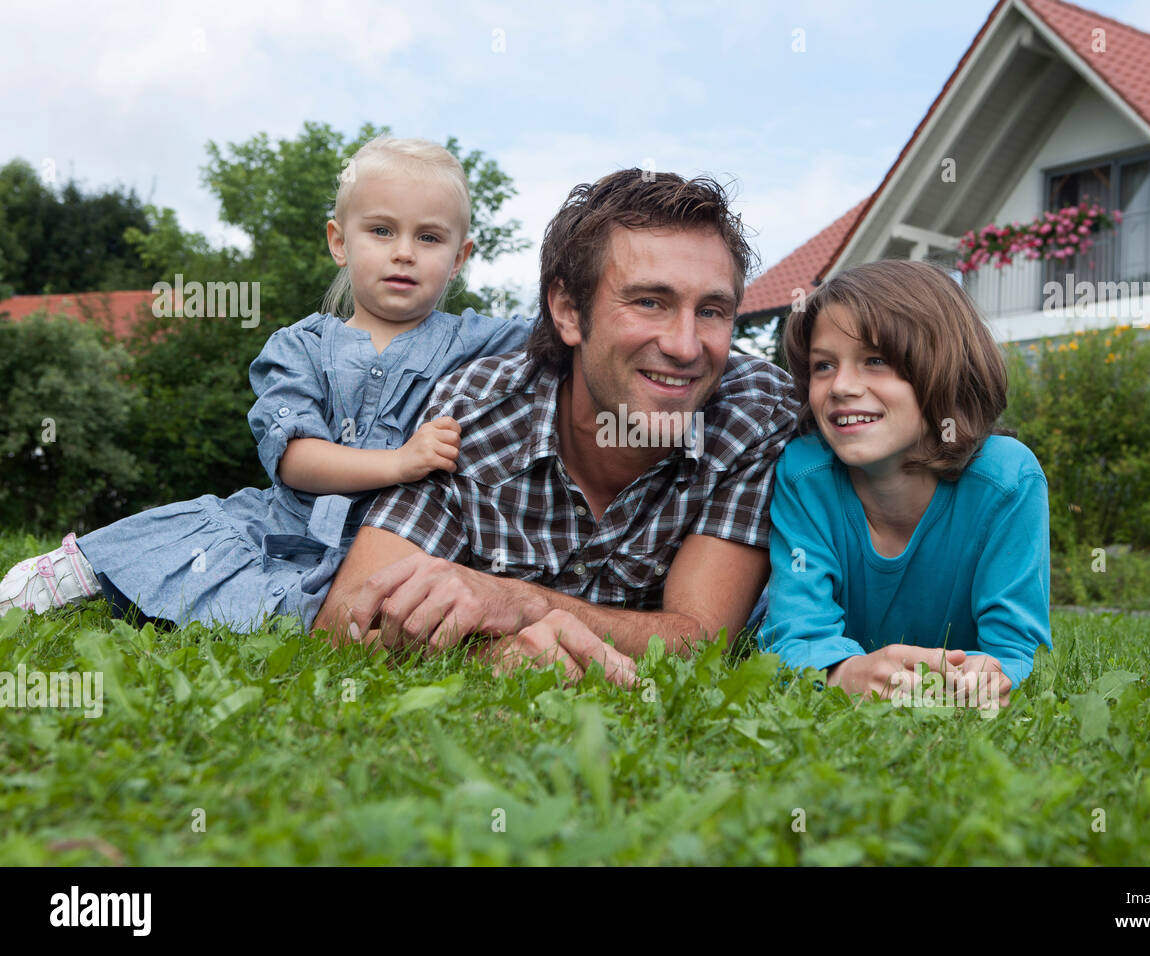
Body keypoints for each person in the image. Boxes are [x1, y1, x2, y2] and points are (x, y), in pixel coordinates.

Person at [0, 136, 531, 632]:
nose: (404, 252)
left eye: (430, 237)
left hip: (391, 545)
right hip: (283, 527)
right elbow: (294, 458)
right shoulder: (299, 347)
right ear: (339, 241)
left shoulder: (476, 339)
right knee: (193, 541)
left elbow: (567, 334)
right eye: (382, 230)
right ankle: (69, 574)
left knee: (367, 614)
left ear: (460, 258)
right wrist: (400, 462)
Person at [312, 169, 798, 686]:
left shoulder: (757, 412)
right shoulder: (475, 411)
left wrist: (519, 603)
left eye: (711, 310)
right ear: (568, 310)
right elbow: (343, 621)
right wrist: (487, 659)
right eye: (649, 302)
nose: (684, 345)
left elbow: (704, 640)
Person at [758, 260, 1051, 710]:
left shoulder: (1008, 480)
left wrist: (992, 676)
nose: (842, 386)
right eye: (823, 365)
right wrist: (842, 673)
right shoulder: (805, 473)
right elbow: (795, 636)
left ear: (945, 365)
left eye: (875, 361)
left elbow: (1018, 650)